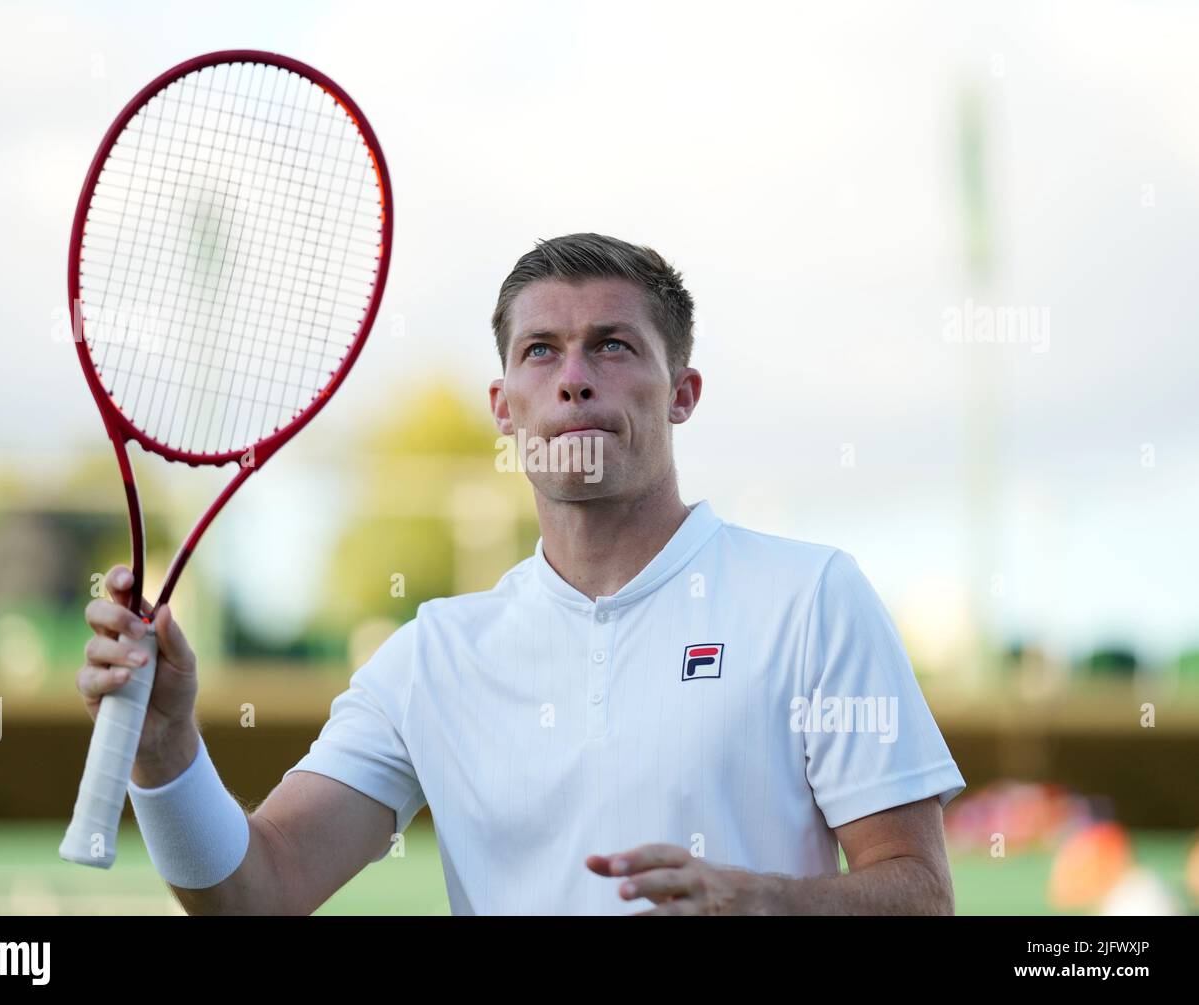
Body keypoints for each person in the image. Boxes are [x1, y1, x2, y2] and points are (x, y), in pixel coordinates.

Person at [78, 233, 966, 915]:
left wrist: (762, 898)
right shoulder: (434, 654)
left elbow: (921, 891)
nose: (574, 378)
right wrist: (165, 746)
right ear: (504, 408)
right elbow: (256, 891)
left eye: (613, 346)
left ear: (684, 393)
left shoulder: (812, 597)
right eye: (541, 350)